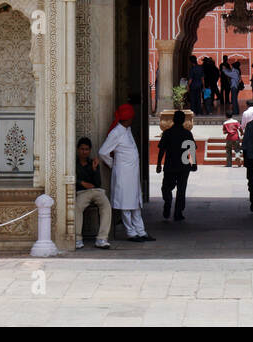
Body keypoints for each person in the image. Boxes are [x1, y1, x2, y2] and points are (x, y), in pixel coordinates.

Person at [98, 103, 155, 242]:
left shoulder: (126, 130)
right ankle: (131, 232)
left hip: (132, 174)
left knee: (135, 203)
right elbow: (103, 152)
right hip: (123, 174)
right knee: (125, 204)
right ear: (127, 118)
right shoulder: (116, 132)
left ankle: (141, 231)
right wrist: (114, 164)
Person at [156, 109, 196, 221]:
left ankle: (168, 201)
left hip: (170, 164)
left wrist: (159, 164)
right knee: (181, 189)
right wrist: (194, 163)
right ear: (183, 120)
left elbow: (161, 150)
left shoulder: (167, 133)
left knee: (166, 187)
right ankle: (178, 212)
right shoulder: (187, 133)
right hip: (183, 164)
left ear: (173, 120)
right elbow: (192, 149)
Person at [74, 137, 112, 249]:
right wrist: (82, 183)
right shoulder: (73, 163)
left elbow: (98, 183)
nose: (84, 152)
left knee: (106, 206)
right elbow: (71, 179)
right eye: (82, 149)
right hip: (82, 193)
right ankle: (77, 239)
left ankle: (102, 238)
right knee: (77, 207)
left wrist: (95, 169)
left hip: (96, 191)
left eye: (86, 149)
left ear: (90, 150)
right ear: (77, 149)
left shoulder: (93, 162)